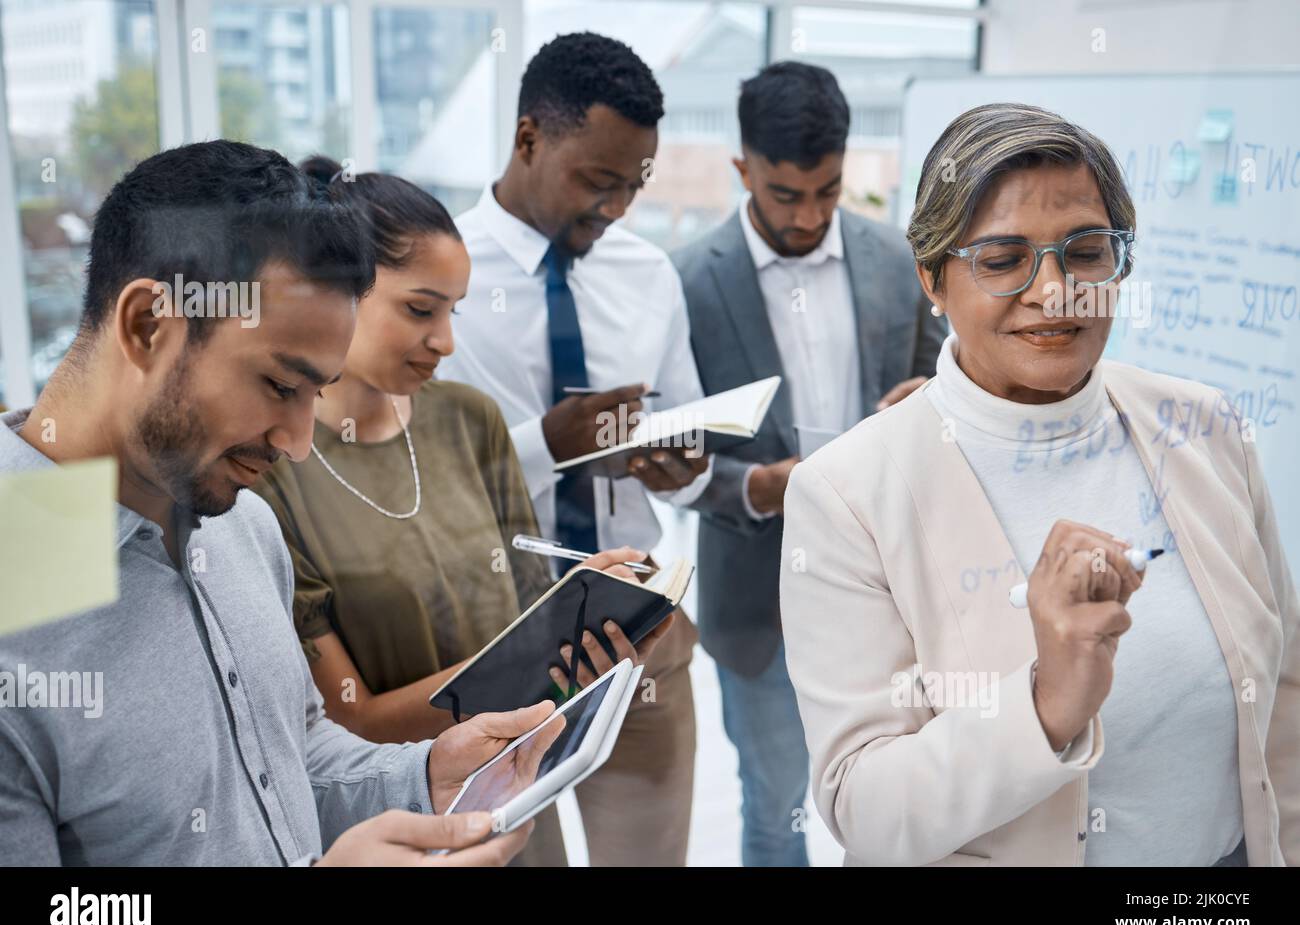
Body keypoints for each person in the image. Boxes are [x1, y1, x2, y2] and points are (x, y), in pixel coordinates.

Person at [0, 140, 549, 866]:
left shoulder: (243, 526)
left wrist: (420, 776)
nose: (296, 443)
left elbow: (288, 756)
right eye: (280, 386)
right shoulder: (20, 582)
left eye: (316, 393)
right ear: (146, 327)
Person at [779, 103, 1299, 866]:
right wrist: (1046, 703)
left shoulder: (1205, 427)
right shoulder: (848, 492)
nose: (1056, 292)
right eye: (1001, 259)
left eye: (1086, 251)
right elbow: (865, 807)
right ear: (932, 277)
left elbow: (1283, 686)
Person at [252, 158, 675, 867]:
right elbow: (346, 718)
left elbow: (533, 619)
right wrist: (529, 661)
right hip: (393, 832)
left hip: (519, 797)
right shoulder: (270, 472)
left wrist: (590, 636)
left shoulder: (469, 421)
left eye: (454, 311)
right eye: (420, 310)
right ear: (337, 292)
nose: (446, 341)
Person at [436, 31, 706, 866]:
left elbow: (690, 439)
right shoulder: (437, 275)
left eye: (635, 183)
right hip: (497, 639)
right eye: (598, 180)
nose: (617, 205)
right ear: (528, 139)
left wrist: (686, 470)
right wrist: (546, 447)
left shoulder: (648, 273)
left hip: (639, 636)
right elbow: (417, 476)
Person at [673, 61, 945, 867]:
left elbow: (945, 384)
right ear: (742, 169)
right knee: (777, 808)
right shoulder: (686, 282)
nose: (809, 214)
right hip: (759, 603)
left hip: (892, 585)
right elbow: (671, 455)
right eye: (785, 194)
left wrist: (929, 401)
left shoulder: (898, 259)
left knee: (904, 794)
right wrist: (759, 486)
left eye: (827, 191)